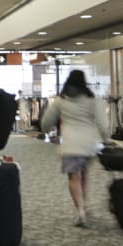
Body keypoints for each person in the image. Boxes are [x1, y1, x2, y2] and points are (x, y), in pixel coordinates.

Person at [41, 70, 109, 228]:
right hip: (89, 145)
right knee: (84, 175)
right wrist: (106, 139)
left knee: (74, 178)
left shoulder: (60, 100)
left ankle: (80, 211)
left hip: (70, 145)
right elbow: (103, 123)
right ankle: (83, 205)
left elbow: (46, 122)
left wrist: (45, 130)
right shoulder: (92, 100)